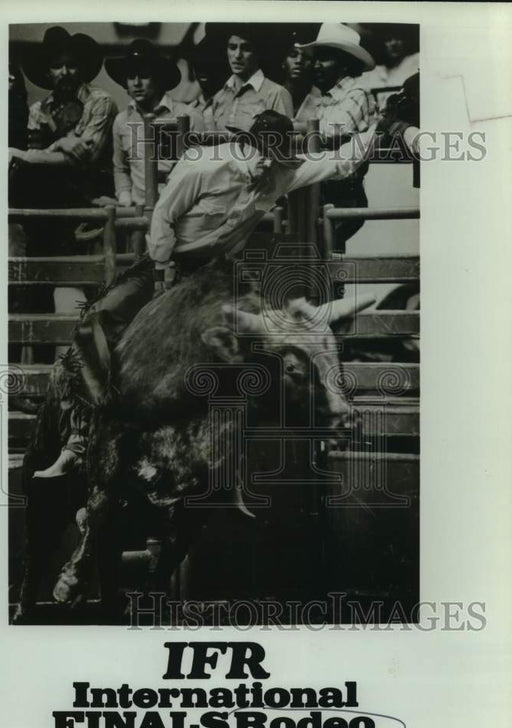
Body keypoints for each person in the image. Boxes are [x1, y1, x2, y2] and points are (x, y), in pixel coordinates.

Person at [34, 110, 380, 477]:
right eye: (261, 152)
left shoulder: (282, 173)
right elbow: (164, 215)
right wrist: (163, 273)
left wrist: (381, 127)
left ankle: (232, 455)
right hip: (169, 262)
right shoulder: (203, 165)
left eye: (274, 156)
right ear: (244, 144)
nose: (266, 163)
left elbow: (340, 162)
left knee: (258, 342)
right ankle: (80, 437)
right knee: (97, 320)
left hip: (219, 274)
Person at [9, 26, 117, 208]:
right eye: (57, 66)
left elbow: (85, 159)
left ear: (81, 68)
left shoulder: (101, 101)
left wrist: (24, 156)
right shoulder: (38, 110)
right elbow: (35, 158)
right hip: (51, 194)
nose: (64, 72)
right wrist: (60, 144)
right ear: (47, 72)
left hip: (95, 194)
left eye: (71, 65)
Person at [295, 23, 376, 250]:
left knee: (325, 249)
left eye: (324, 59)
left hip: (345, 192)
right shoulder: (326, 98)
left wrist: (296, 127)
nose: (316, 65)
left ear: (345, 63)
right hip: (322, 189)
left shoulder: (358, 93)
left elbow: (335, 130)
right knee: (318, 251)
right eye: (316, 59)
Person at [106, 39, 204, 208]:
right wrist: (125, 199)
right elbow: (121, 169)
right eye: (131, 77)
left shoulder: (189, 116)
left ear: (158, 78)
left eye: (144, 76)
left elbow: (202, 172)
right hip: (138, 213)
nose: (136, 83)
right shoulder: (122, 121)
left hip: (180, 212)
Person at [211, 23, 294, 131]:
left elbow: (284, 139)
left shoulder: (276, 94)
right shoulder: (219, 97)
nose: (237, 55)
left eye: (246, 48)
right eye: (232, 47)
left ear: (257, 52)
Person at [186, 36, 228, 132]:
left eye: (209, 64)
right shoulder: (189, 111)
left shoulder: (234, 106)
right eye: (197, 63)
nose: (202, 69)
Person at [276, 27, 315, 114]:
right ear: (283, 62)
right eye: (293, 55)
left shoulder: (319, 99)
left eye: (306, 57)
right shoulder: (272, 95)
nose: (299, 60)